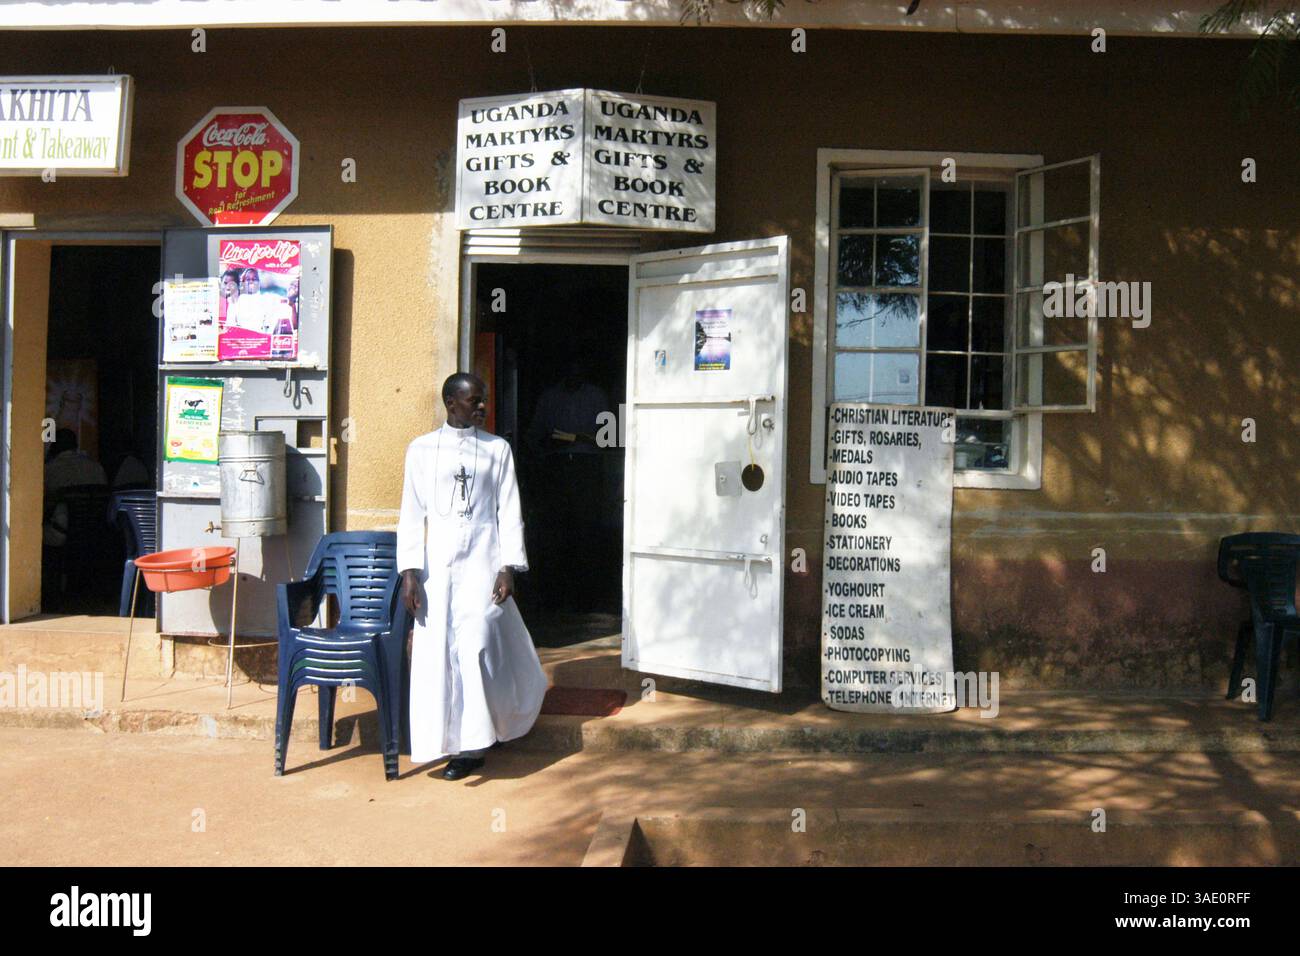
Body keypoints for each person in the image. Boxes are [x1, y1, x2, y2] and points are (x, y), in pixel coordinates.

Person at [397, 372, 547, 780]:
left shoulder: (497, 449)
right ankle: (450, 744)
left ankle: (478, 740)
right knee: (440, 652)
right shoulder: (422, 449)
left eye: (483, 400)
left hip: (483, 559)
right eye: (474, 401)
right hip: (437, 566)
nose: (482, 407)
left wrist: (507, 567)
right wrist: (409, 572)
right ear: (450, 403)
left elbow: (509, 510)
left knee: (476, 643)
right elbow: (411, 514)